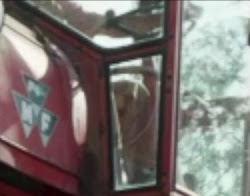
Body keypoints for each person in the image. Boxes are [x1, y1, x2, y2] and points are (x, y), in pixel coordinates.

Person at [38, 1, 166, 186]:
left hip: (66, 77)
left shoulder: (64, 7)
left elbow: (111, 25)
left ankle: (133, 173)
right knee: (116, 89)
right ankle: (110, 176)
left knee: (131, 91)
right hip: (45, 69)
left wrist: (156, 20)